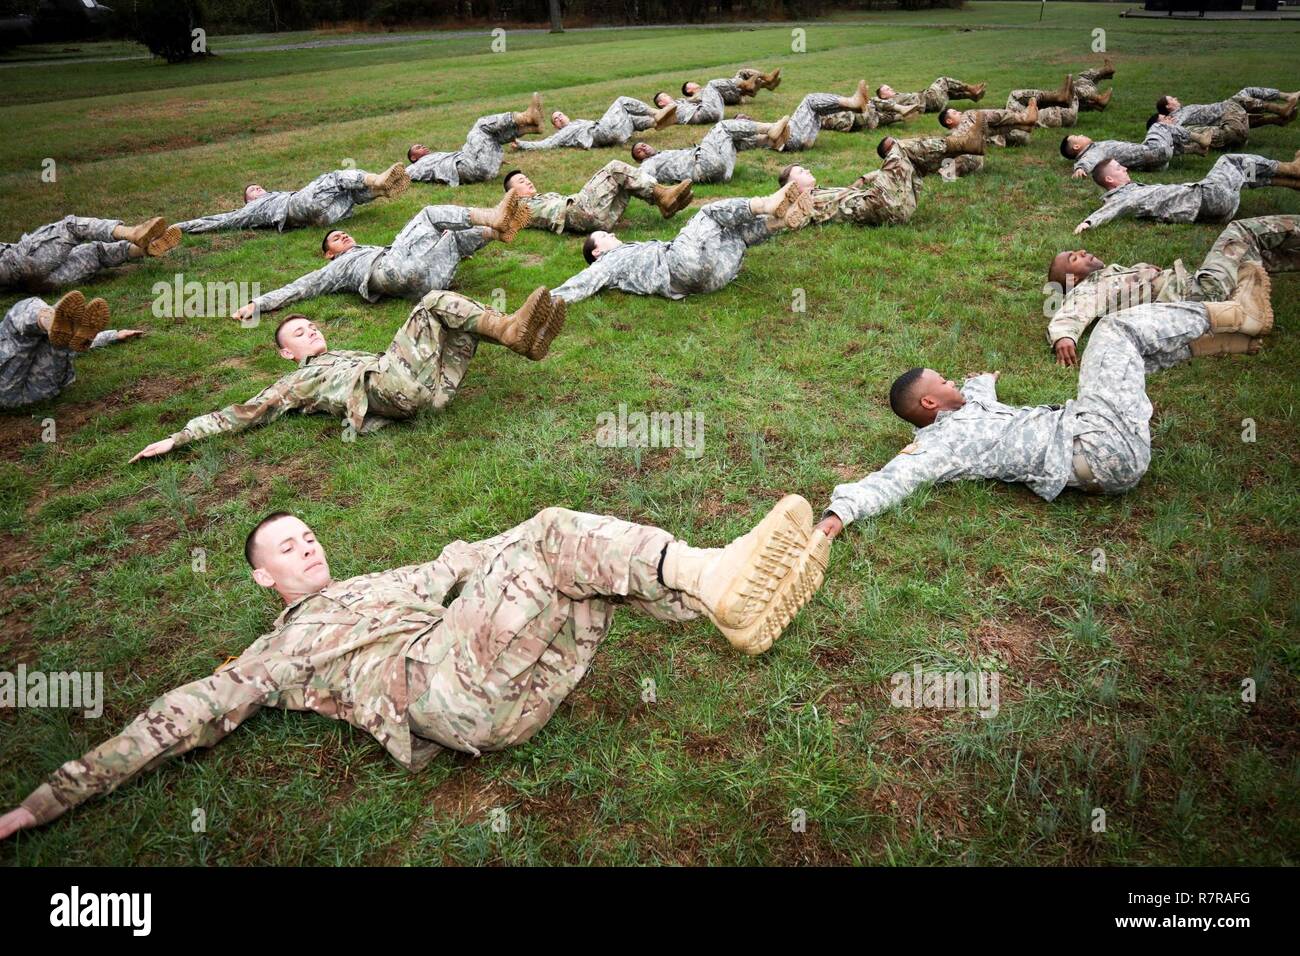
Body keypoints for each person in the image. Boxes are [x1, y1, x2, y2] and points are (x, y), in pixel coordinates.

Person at [0, 496, 830, 837]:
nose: (308, 544)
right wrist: (39, 805)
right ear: (265, 578)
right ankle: (712, 575)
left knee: (555, 553)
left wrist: (516, 546)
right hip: (442, 696)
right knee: (549, 538)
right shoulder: (273, 653)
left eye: (309, 533)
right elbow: (174, 719)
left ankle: (724, 588)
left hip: (518, 686)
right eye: (288, 546)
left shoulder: (376, 582)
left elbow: (461, 559)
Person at [814, 275, 1275, 540]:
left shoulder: (969, 409)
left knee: (1129, 360)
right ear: (930, 402)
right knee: (1114, 332)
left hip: (1102, 448)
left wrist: (985, 379)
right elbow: (892, 480)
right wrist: (841, 514)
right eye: (943, 380)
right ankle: (1233, 314)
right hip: (1096, 447)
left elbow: (979, 391)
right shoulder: (942, 443)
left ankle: (1230, 342)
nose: (953, 378)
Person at [133, 287, 566, 460]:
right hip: (386, 390)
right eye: (300, 332)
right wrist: (179, 437)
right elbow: (246, 412)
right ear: (287, 353)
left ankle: (521, 338)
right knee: (433, 301)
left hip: (430, 395)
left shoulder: (345, 353)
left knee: (456, 322)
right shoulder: (295, 381)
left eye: (312, 325)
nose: (312, 330)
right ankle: (511, 332)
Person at [1046, 215, 1299, 365]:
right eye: (1073, 258)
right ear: (1074, 279)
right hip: (1197, 294)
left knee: (1254, 257)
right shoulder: (1090, 287)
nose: (1080, 252)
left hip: (1193, 302)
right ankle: (1242, 309)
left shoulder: (1107, 277)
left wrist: (1147, 271)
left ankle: (1242, 311)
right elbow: (1073, 309)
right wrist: (1065, 337)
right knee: (1240, 233)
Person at [230, 195, 531, 321]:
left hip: (428, 284)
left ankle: (496, 232)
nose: (344, 236)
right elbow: (302, 286)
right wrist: (258, 304)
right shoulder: (339, 267)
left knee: (450, 237)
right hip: (388, 271)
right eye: (336, 238)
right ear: (328, 254)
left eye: (345, 234)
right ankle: (491, 217)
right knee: (429, 214)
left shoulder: (371, 247)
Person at [550, 185, 815, 304]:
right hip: (678, 266)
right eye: (604, 236)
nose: (610, 235)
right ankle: (766, 204)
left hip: (708, 283)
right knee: (709, 214)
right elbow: (584, 281)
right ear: (597, 251)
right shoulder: (608, 261)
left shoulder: (624, 256)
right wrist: (549, 299)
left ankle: (776, 222)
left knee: (736, 236)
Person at [1075, 151, 1300, 233]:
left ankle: (1290, 181)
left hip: (1218, 212)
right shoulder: (1122, 197)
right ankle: (1291, 168)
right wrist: (1088, 223)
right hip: (1208, 197)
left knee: (1239, 176)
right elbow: (1110, 210)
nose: (1125, 167)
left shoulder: (1130, 192)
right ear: (1110, 179)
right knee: (1230, 161)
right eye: (1118, 168)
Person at [0, 291, 142, 409]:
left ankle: (53, 321)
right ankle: (48, 319)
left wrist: (113, 336)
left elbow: (76, 341)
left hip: (32, 395)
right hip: (20, 385)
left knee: (60, 340)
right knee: (18, 319)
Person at [175, 165, 409, 233]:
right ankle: (377, 181)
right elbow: (221, 220)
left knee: (349, 194)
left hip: (322, 219)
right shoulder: (253, 209)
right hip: (293, 208)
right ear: (248, 201)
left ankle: (381, 191)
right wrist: (179, 227)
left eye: (258, 187)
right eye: (252, 191)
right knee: (335, 178)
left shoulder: (275, 195)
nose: (257, 190)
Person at [0, 215, 179, 291]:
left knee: (94, 254)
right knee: (71, 227)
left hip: (29, 284)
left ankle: (143, 249)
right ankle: (133, 233)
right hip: (18, 263)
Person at [504, 164, 693, 235]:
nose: (528, 181)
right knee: (614, 169)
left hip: (600, 221)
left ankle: (665, 203)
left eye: (527, 178)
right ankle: (663, 197)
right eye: (521, 181)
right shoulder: (519, 207)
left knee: (625, 182)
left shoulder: (542, 197)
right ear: (513, 194)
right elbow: (502, 215)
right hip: (577, 213)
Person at [406, 94, 544, 185]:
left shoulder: (436, 158)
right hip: (474, 168)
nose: (423, 146)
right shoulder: (415, 167)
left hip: (485, 169)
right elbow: (401, 175)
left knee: (492, 136)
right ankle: (525, 117)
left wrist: (494, 158)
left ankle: (531, 128)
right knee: (481, 125)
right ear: (413, 158)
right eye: (418, 148)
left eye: (422, 145)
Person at [779, 143, 921, 228]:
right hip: (879, 204)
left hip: (895, 205)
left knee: (910, 162)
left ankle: (942, 162)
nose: (808, 170)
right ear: (793, 186)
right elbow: (794, 219)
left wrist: (863, 179)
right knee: (898, 149)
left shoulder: (817, 192)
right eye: (802, 172)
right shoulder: (806, 202)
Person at [632, 116, 790, 185]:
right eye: (639, 151)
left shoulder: (663, 154)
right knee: (722, 127)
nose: (643, 148)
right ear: (640, 159)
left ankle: (770, 141)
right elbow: (642, 176)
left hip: (723, 173)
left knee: (731, 141)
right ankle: (770, 128)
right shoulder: (649, 162)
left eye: (643, 145)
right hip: (703, 167)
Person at [512, 96, 676, 151]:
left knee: (630, 119)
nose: (559, 118)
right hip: (600, 133)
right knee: (621, 102)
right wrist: (521, 144)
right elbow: (546, 144)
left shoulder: (578, 122)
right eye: (556, 119)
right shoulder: (563, 133)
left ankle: (657, 122)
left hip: (616, 135)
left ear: (567, 116)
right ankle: (657, 113)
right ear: (556, 127)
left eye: (560, 115)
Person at [875, 77, 985, 113]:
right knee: (943, 81)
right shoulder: (890, 102)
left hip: (933, 104)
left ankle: (972, 96)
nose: (891, 89)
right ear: (883, 96)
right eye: (888, 89)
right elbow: (876, 102)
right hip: (930, 100)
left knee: (947, 92)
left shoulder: (896, 98)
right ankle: (971, 88)